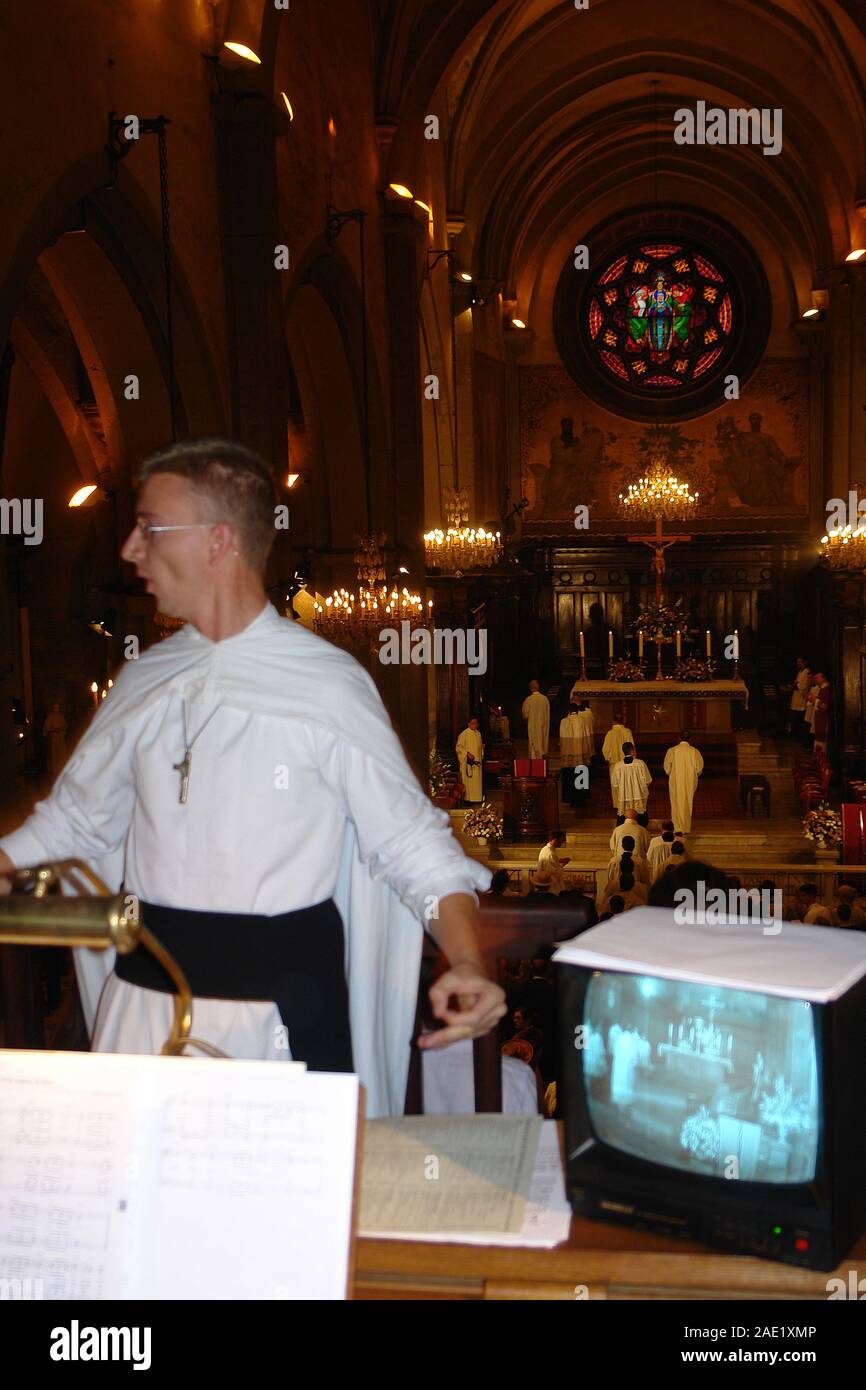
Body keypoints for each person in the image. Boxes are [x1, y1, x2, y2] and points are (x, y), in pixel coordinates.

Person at [0, 437, 505, 1118]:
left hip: (279, 1018)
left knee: (273, 1214)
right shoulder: (146, 677)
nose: (129, 549)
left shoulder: (325, 683)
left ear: (217, 541)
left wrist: (468, 962)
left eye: (149, 528)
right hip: (142, 1013)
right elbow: (75, 820)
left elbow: (414, 846)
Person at [663, 731, 704, 833]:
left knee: (676, 802)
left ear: (679, 738)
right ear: (690, 738)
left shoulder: (672, 751)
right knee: (687, 802)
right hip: (689, 781)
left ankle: (677, 828)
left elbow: (667, 768)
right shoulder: (694, 751)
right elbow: (699, 768)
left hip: (675, 781)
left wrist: (673, 774)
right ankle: (686, 827)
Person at [611, 741, 652, 825]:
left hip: (624, 796)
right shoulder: (640, 763)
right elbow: (648, 780)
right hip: (639, 796)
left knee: (624, 814)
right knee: (640, 815)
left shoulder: (618, 766)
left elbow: (614, 783)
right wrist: (640, 789)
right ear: (632, 751)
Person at [602, 718, 635, 802]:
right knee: (627, 782)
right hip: (627, 761)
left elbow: (605, 749)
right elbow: (632, 746)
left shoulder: (610, 734)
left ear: (613, 721)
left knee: (615, 784)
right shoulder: (627, 732)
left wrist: (608, 758)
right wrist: (632, 758)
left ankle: (618, 803)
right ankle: (627, 801)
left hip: (614, 762)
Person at [456, 716, 484, 803]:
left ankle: (477, 798)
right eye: (473, 723)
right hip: (468, 763)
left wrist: (482, 748)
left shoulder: (478, 733)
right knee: (469, 782)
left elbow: (480, 746)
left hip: (477, 762)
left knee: (477, 782)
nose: (475, 725)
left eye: (476, 723)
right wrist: (467, 754)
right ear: (468, 724)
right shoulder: (464, 734)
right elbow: (459, 747)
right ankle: (468, 799)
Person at [784, 658, 812, 741]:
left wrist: (795, 686)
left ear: (804, 662)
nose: (798, 664)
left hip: (801, 698)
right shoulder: (800, 672)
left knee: (799, 717)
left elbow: (803, 687)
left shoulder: (807, 672)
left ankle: (798, 736)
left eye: (800, 662)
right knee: (794, 716)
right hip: (796, 697)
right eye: (797, 662)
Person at [522, 679, 550, 759]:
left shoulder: (529, 700)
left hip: (533, 727)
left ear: (530, 688)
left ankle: (535, 765)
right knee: (542, 744)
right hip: (543, 726)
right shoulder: (545, 699)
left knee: (534, 748)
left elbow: (525, 715)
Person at [812, 673, 831, 752]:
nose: (815, 679)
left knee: (822, 741)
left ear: (824, 678)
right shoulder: (823, 688)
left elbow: (825, 706)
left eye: (817, 677)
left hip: (823, 718)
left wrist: (815, 700)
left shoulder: (827, 689)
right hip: (819, 717)